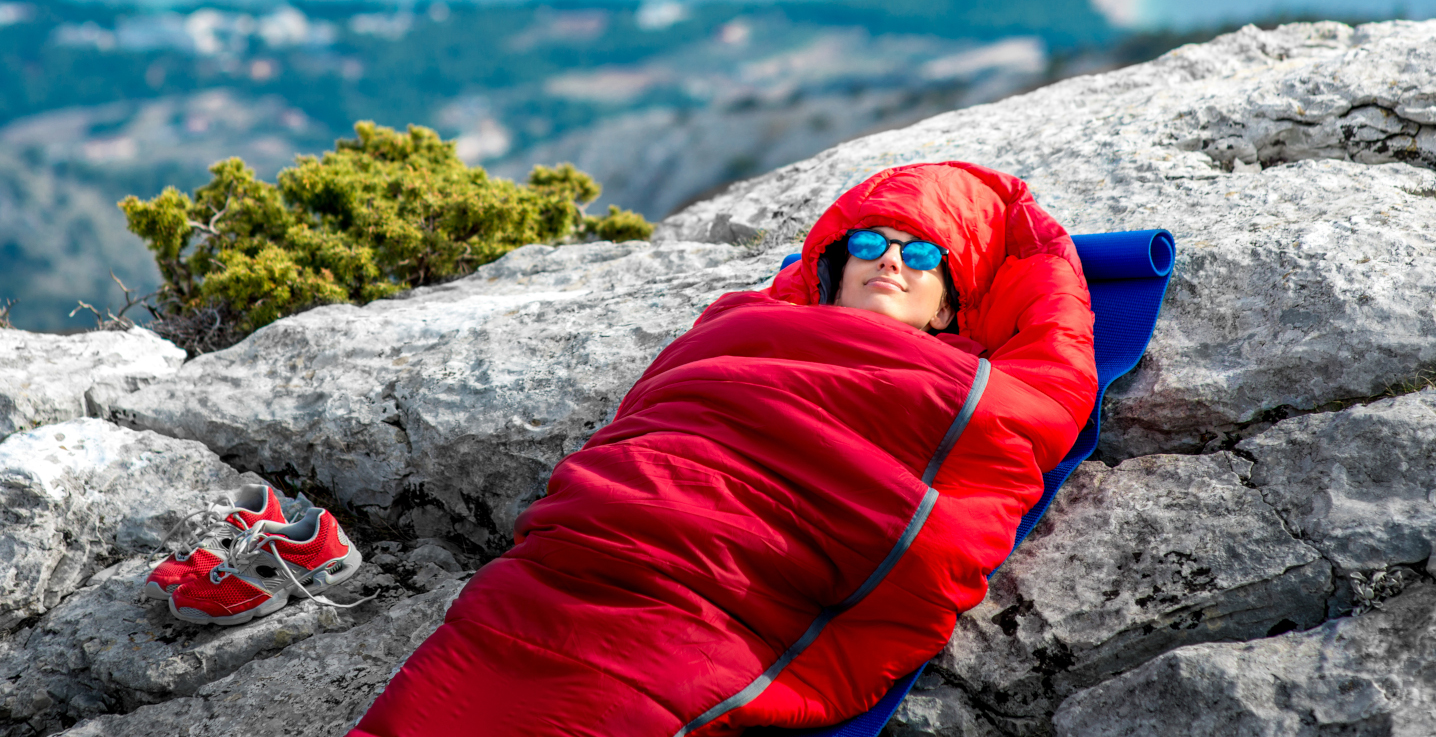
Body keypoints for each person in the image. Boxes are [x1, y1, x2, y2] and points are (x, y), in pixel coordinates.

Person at [353, 161, 1096, 737]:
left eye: (923, 254)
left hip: (727, 593)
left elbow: (1046, 394)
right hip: (589, 548)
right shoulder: (739, 327)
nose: (891, 261)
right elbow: (652, 417)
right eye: (869, 244)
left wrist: (1040, 262)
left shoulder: (968, 389)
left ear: (949, 311)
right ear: (832, 273)